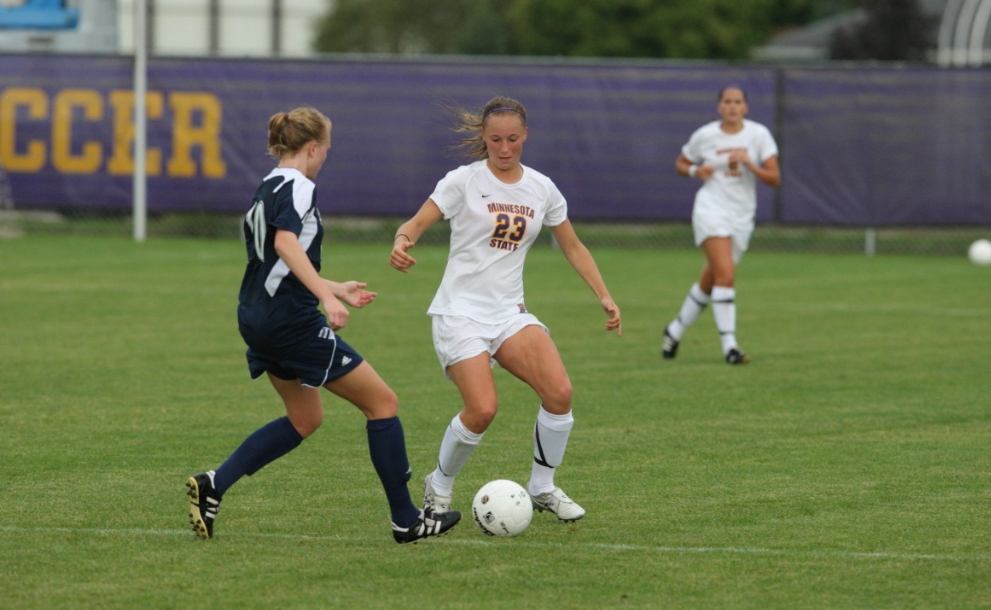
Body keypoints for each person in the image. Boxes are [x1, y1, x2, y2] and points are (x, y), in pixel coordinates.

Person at [187, 106, 461, 544]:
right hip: (290, 321)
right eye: (326, 150)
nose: (325, 158)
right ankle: (407, 520)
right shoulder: (298, 185)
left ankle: (214, 484)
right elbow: (285, 243)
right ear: (312, 147)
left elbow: (276, 260)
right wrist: (325, 296)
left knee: (304, 418)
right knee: (383, 404)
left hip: (257, 316)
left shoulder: (267, 185)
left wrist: (336, 286)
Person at [389, 96, 621, 523]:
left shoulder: (541, 187)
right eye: (495, 139)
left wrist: (603, 294)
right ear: (483, 136)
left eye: (513, 138)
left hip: (509, 313)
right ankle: (438, 487)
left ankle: (543, 487)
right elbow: (416, 223)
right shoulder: (463, 181)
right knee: (482, 409)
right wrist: (402, 241)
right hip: (459, 312)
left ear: (525, 136)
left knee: (560, 393)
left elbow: (572, 244)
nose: (504, 147)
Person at [662, 86, 781, 364]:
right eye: (727, 102)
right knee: (726, 275)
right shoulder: (706, 135)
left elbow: (775, 178)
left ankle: (674, 329)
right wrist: (694, 170)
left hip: (741, 215)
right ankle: (730, 346)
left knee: (712, 279)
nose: (732, 106)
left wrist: (750, 164)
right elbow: (681, 163)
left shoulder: (758, 134)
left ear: (746, 107)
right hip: (711, 209)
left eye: (738, 102)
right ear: (719, 106)